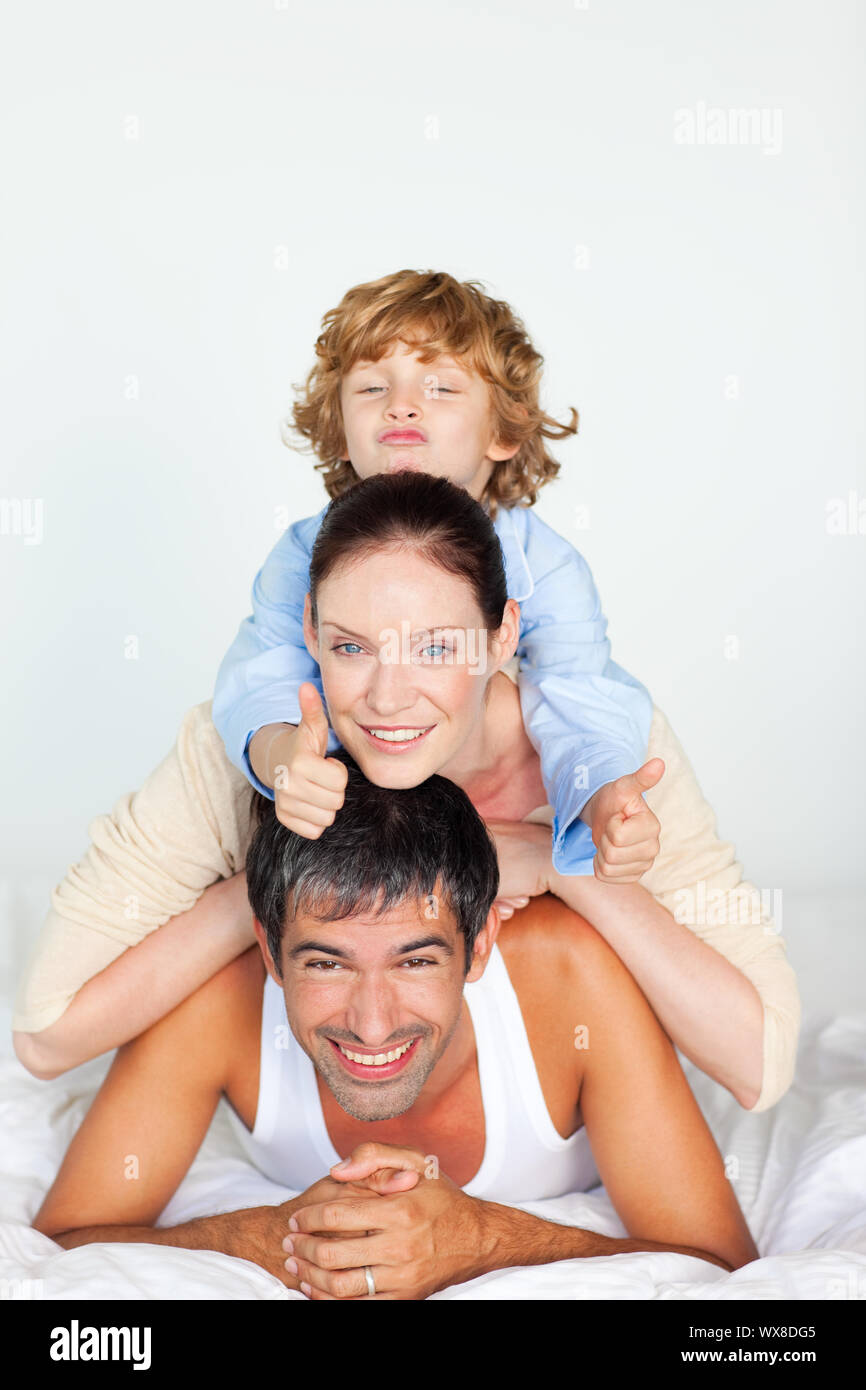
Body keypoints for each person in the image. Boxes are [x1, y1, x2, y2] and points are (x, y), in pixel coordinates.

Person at [14, 473, 800, 1115]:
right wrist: (272, 885)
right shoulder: (242, 753)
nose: (389, 698)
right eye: (352, 647)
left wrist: (559, 865)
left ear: (502, 638)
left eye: (437, 647)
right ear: (312, 635)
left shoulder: (609, 761)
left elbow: (760, 1065)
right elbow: (46, 1036)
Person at [32, 753, 759, 1299]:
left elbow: (721, 1268)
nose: (372, 1026)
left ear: (479, 947)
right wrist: (285, 1237)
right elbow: (67, 1238)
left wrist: (476, 1239)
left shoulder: (574, 977)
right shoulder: (218, 998)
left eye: (414, 963)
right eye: (326, 965)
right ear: (269, 951)